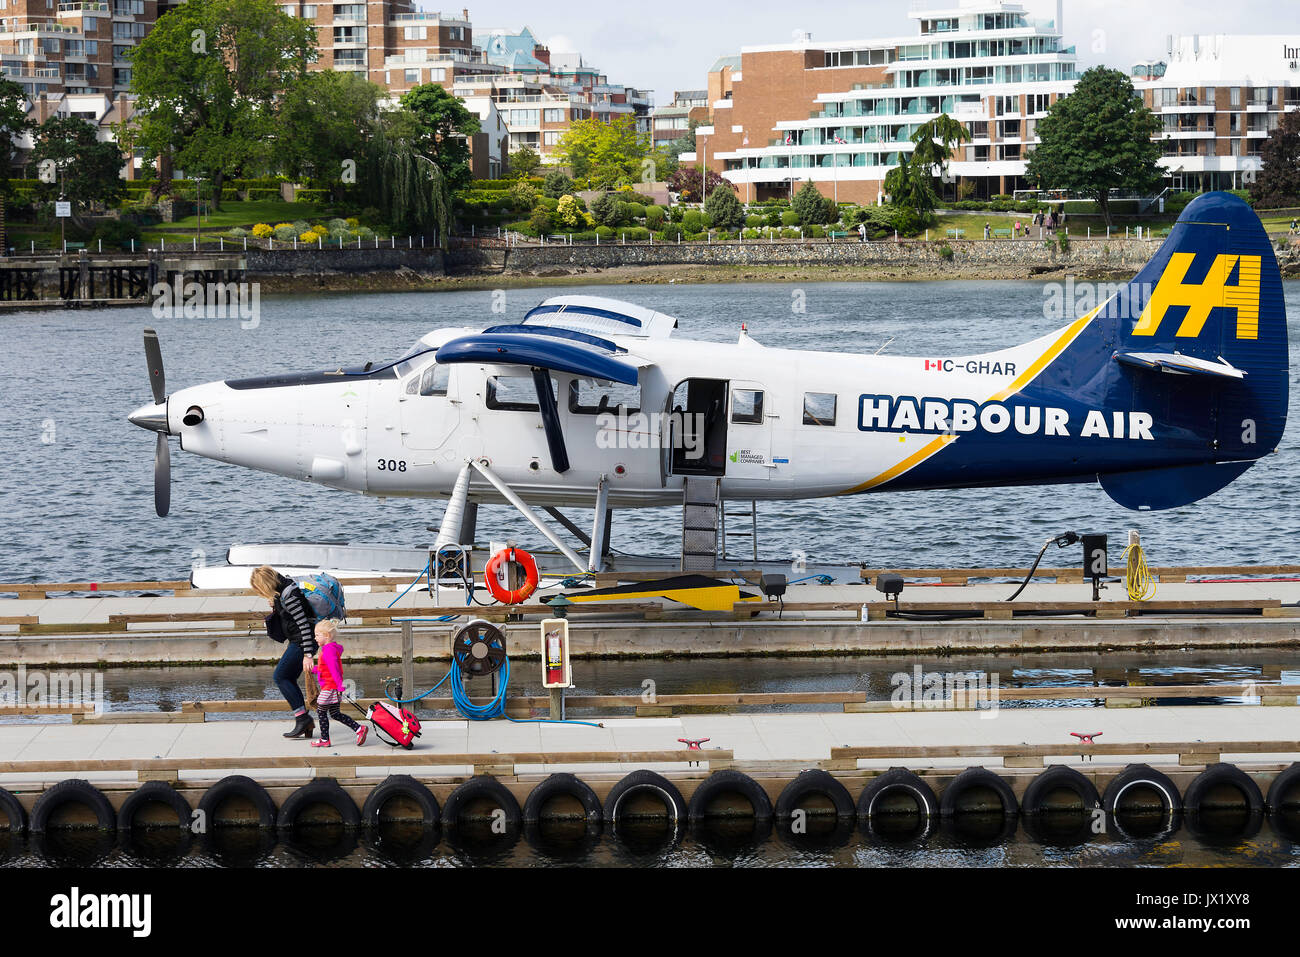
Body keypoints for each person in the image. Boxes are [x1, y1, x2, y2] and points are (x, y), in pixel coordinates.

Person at [250, 565, 320, 739]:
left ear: (266, 584)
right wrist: (275, 603)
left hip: (303, 641)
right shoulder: (284, 589)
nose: (261, 592)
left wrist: (308, 654)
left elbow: (304, 625)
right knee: (286, 677)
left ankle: (303, 719)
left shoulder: (290, 597)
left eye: (260, 589)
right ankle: (303, 720)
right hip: (299, 640)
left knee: (280, 676)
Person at [309, 621, 367, 749]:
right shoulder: (329, 649)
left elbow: (335, 669)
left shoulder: (328, 650)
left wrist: (340, 686)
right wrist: (314, 669)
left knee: (321, 710)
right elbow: (327, 668)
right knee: (335, 713)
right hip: (332, 686)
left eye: (317, 635)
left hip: (330, 687)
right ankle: (359, 729)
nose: (315, 638)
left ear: (327, 636)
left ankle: (324, 739)